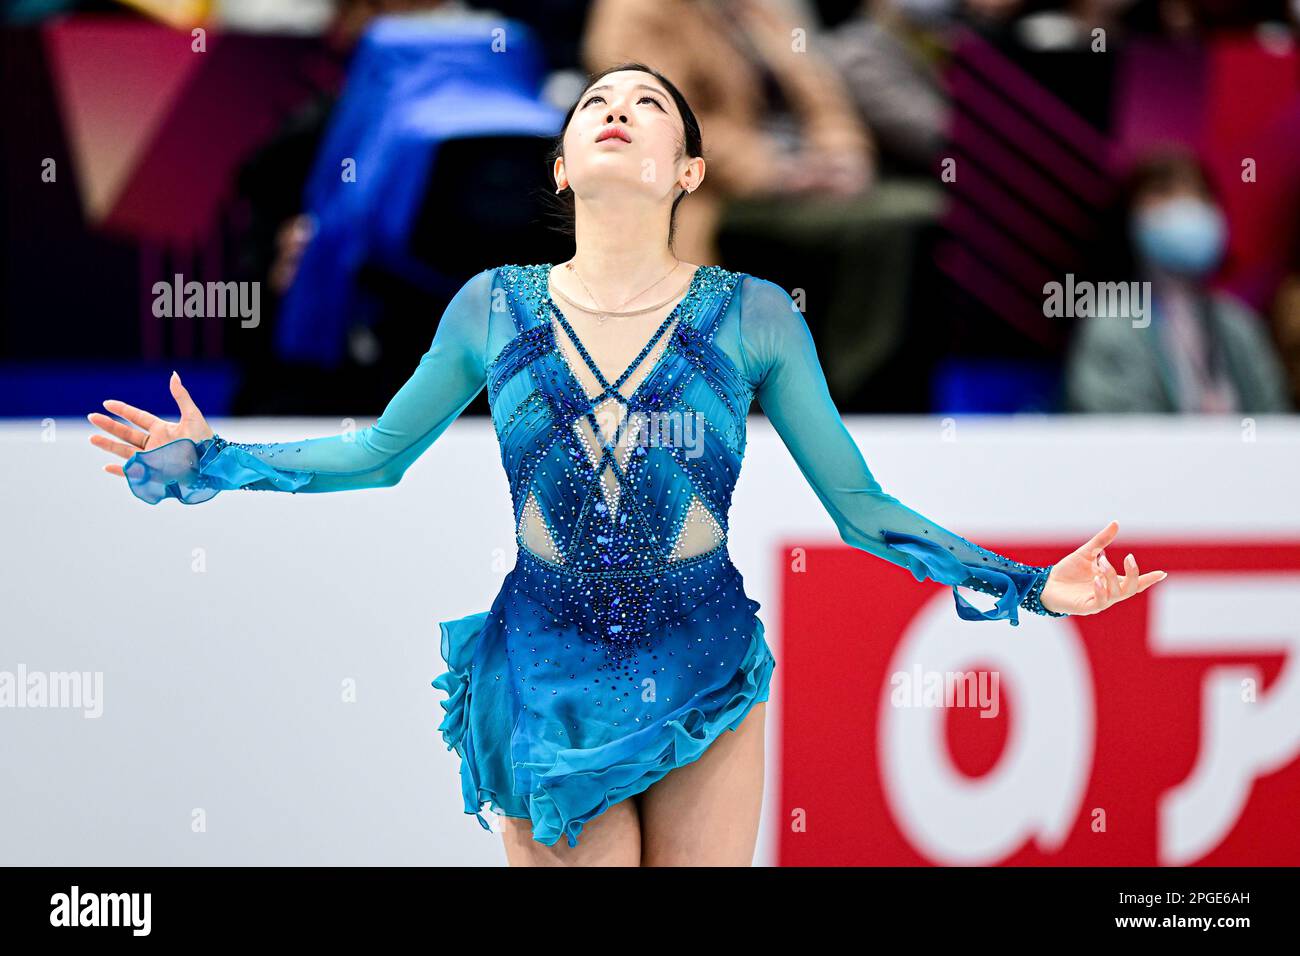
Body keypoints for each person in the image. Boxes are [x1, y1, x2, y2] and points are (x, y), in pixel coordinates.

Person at [89, 64, 1166, 867]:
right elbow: (377, 456)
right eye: (596, 101)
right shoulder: (491, 304)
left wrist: (1029, 584)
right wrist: (220, 460)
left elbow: (862, 507)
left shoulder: (752, 317)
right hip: (545, 675)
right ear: (561, 163)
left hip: (707, 666)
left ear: (688, 169)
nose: (619, 108)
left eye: (650, 105)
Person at [1066, 148, 1292, 414]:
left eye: (1198, 193)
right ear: (1130, 218)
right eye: (1164, 191)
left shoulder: (1238, 324)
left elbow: (1274, 421)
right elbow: (1115, 434)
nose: (1185, 204)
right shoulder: (1110, 326)